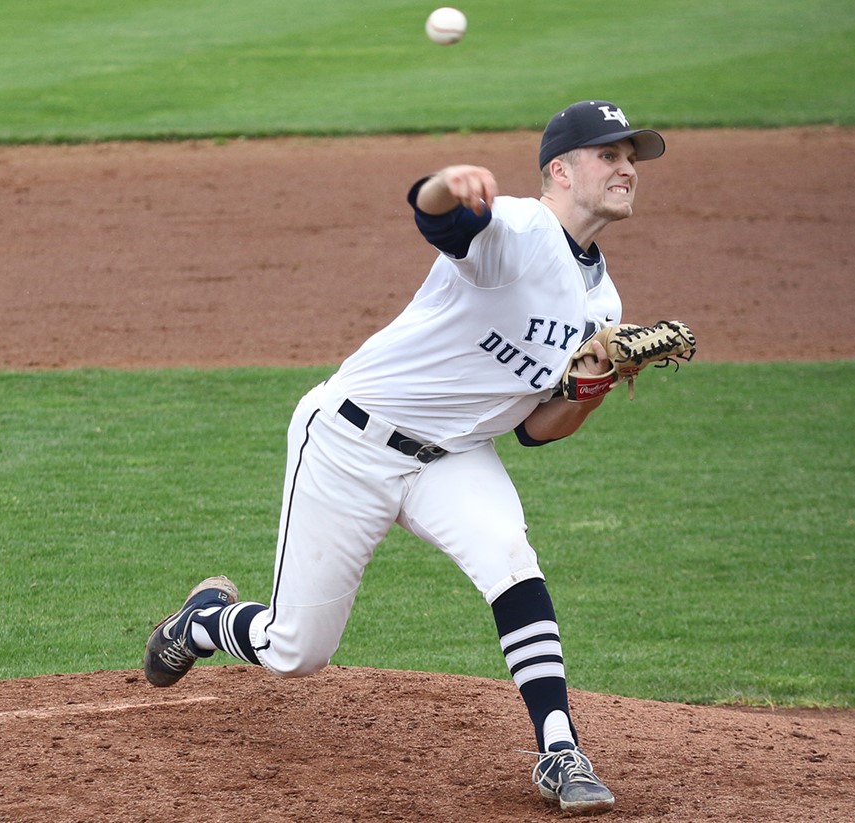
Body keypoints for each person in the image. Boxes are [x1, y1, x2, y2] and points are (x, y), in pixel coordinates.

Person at [144, 100, 666, 815]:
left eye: (632, 156)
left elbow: (538, 430)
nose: (627, 167)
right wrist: (446, 181)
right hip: (349, 443)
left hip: (452, 458)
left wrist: (590, 390)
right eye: (609, 154)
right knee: (297, 651)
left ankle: (559, 750)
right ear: (560, 170)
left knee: (511, 559)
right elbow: (437, 219)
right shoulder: (515, 229)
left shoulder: (602, 303)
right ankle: (200, 620)